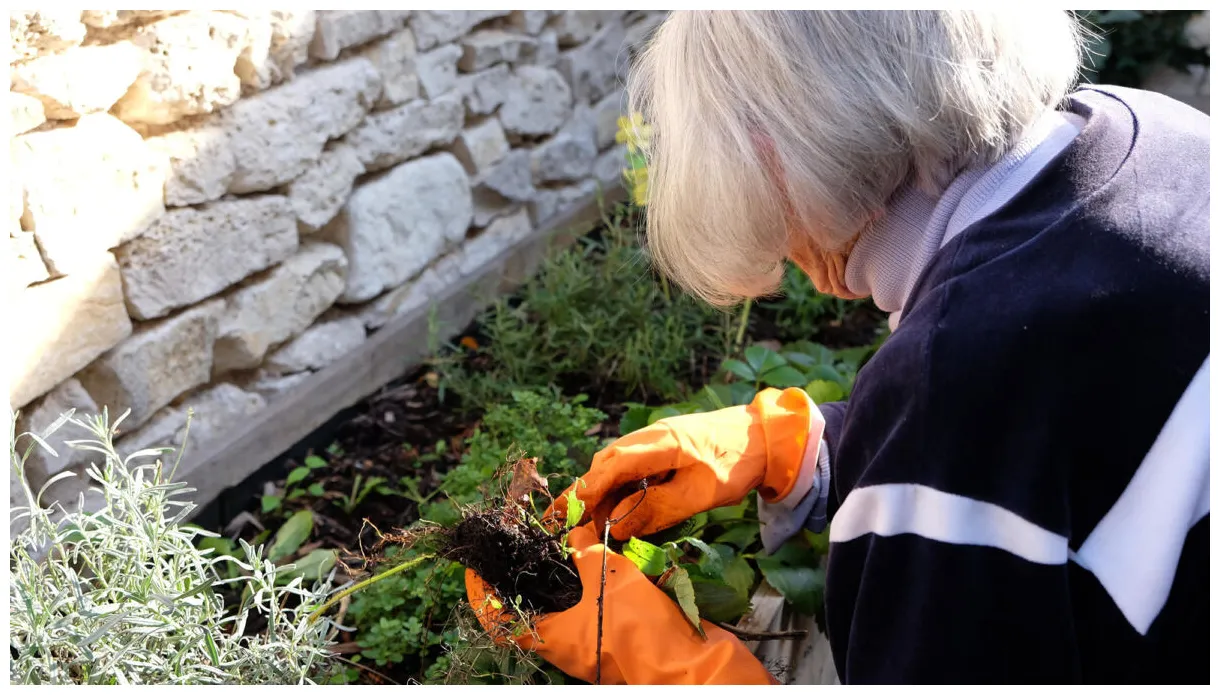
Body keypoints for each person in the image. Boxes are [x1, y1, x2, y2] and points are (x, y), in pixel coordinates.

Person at [465, 10, 1210, 684]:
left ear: (783, 155)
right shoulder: (1160, 136)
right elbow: (1066, 429)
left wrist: (675, 667)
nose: (777, 243)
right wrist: (813, 448)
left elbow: (985, 412)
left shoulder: (954, 386)